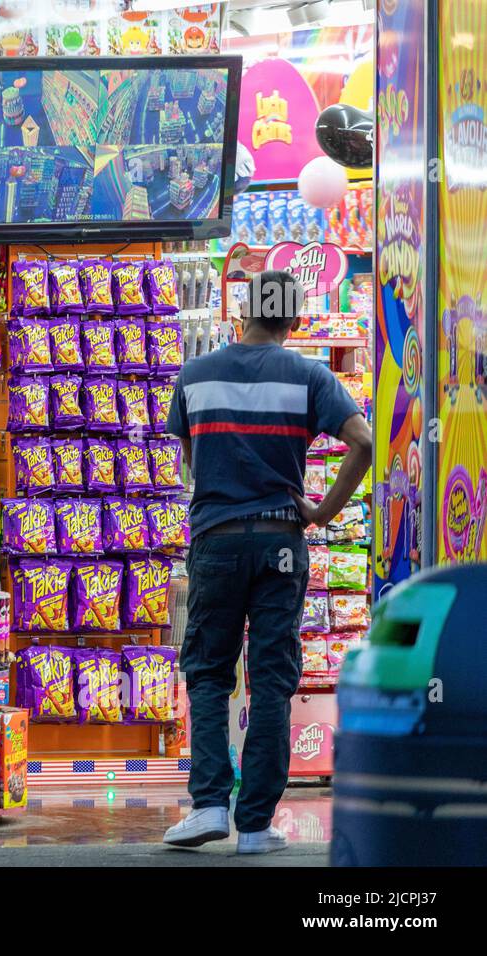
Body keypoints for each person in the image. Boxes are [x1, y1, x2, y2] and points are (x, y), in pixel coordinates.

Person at [161, 270, 373, 854]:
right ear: (294, 319)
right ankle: (255, 824)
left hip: (217, 539)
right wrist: (324, 511)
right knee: (272, 681)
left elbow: (190, 462)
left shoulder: (196, 375)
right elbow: (363, 440)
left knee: (208, 673)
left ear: (241, 311)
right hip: (283, 540)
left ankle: (208, 805)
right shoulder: (309, 375)